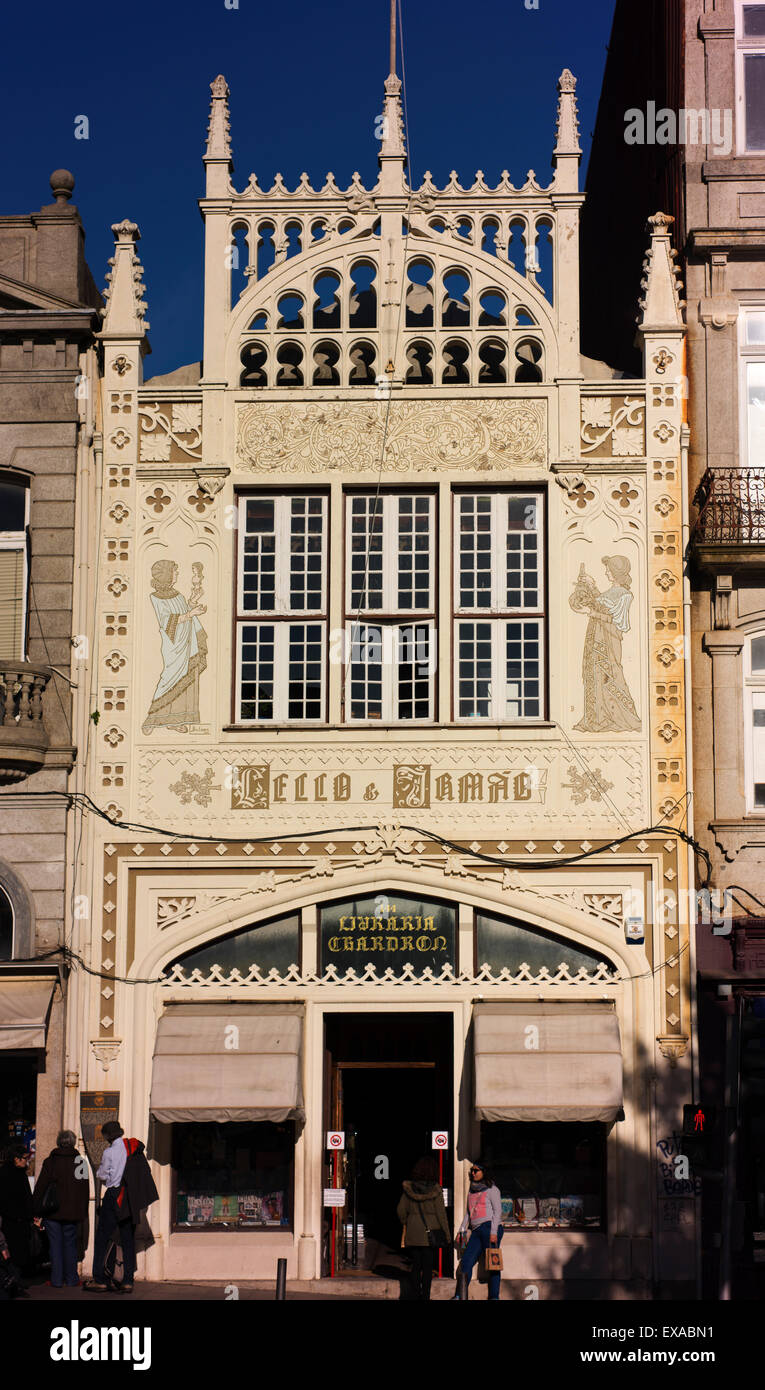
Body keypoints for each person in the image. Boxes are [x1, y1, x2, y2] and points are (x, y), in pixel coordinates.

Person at [83, 1121, 159, 1294]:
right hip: (129, 1197)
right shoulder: (131, 1148)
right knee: (127, 1239)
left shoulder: (109, 1152)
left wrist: (101, 1173)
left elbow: (102, 1174)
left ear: (108, 1136)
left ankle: (100, 1278)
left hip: (113, 1195)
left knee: (103, 1236)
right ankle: (127, 1281)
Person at [32, 1130, 90, 1288]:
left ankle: (56, 1279)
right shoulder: (80, 1161)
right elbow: (84, 1189)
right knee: (70, 1245)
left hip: (53, 1212)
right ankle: (72, 1279)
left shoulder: (50, 1162)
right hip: (72, 1212)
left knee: (55, 1246)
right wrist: (82, 1210)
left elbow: (41, 1187)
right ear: (72, 1142)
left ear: (59, 1142)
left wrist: (35, 1209)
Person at [396, 1156, 451, 1301]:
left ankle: (415, 1293)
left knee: (415, 1264)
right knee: (427, 1267)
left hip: (413, 1231)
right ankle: (425, 1296)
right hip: (431, 1232)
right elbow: (441, 1215)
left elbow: (400, 1210)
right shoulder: (436, 1191)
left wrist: (407, 1222)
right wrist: (446, 1234)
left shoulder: (408, 1190)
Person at [455, 1161, 504, 1301]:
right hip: (476, 1230)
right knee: (466, 1262)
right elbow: (468, 1214)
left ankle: (494, 1297)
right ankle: (460, 1295)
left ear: (484, 1172)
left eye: (476, 1170)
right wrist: (462, 1231)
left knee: (493, 1265)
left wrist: (494, 1232)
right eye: (472, 1170)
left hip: (490, 1228)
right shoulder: (471, 1190)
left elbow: (498, 1211)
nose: (473, 1173)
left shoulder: (492, 1189)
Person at [0, 1142, 34, 1277]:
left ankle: (16, 1278)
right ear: (16, 1158)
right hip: (11, 1220)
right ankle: (13, 1278)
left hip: (19, 1219)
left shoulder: (19, 1173)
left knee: (19, 1252)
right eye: (25, 1158)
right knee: (13, 1252)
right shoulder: (7, 1174)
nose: (27, 1161)